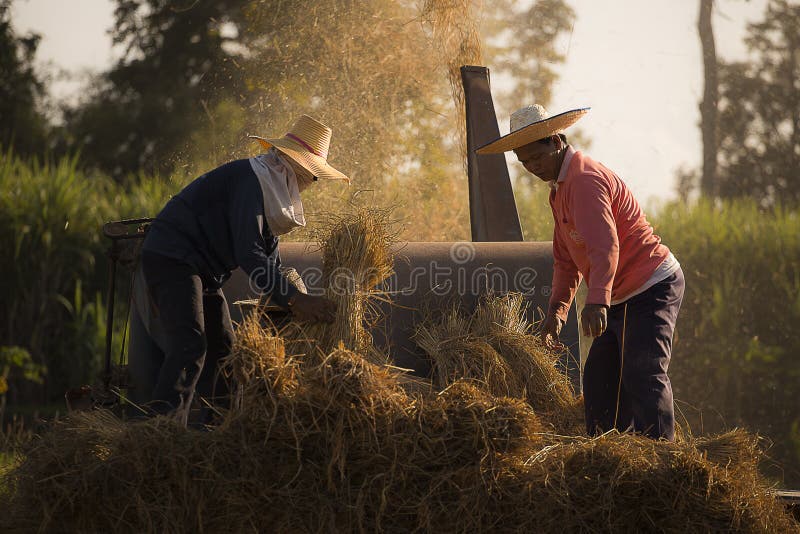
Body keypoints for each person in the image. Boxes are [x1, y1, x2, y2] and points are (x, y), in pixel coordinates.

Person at [477, 105, 685, 441]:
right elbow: (566, 259)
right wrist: (556, 314)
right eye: (524, 161)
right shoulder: (558, 190)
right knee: (600, 380)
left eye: (536, 157)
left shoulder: (584, 181)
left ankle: (663, 459)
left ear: (556, 141)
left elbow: (605, 247)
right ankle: (607, 456)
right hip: (617, 294)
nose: (532, 167)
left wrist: (598, 301)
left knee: (641, 373)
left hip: (650, 285)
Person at [131, 114, 346, 423]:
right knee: (190, 343)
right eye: (313, 176)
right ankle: (160, 427)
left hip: (202, 269)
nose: (312, 184)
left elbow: (269, 258)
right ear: (296, 166)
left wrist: (292, 296)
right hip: (173, 257)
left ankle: (220, 428)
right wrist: (295, 300)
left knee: (224, 350)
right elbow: (250, 254)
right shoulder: (252, 182)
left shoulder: (270, 188)